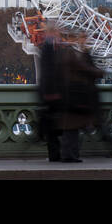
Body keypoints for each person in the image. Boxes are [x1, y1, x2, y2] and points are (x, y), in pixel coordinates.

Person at [58, 33, 102, 162]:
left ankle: (68, 154)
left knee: (70, 128)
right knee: (72, 128)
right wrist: (99, 72)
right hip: (74, 94)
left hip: (68, 94)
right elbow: (83, 68)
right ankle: (71, 155)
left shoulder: (64, 52)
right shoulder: (70, 53)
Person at [36, 25, 64, 162]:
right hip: (51, 94)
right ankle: (55, 154)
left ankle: (55, 153)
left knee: (52, 127)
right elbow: (49, 71)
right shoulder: (49, 48)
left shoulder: (48, 47)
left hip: (48, 93)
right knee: (53, 128)